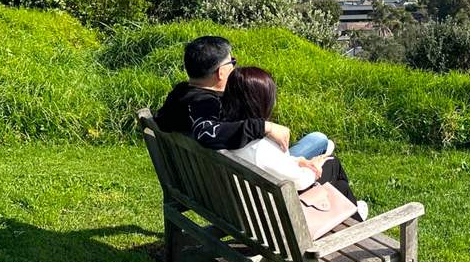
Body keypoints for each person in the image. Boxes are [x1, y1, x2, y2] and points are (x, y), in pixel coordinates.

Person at [220, 65, 367, 221]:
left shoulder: (226, 131)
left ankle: (352, 208)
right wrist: (314, 167)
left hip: (245, 209)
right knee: (333, 166)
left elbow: (273, 166)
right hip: (276, 219)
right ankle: (356, 219)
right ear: (261, 102)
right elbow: (300, 182)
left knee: (338, 182)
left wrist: (298, 161)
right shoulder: (261, 147)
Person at [156, 36, 291, 152]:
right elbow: (208, 133)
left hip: (192, 173)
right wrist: (264, 126)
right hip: (221, 178)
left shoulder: (180, 94)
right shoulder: (205, 103)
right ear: (221, 72)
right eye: (232, 62)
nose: (234, 66)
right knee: (313, 139)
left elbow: (162, 120)